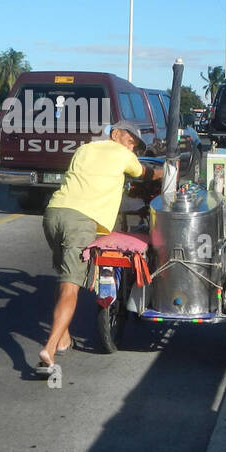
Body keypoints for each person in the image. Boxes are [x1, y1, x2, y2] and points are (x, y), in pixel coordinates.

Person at [37, 120, 161, 372]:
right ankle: (49, 348)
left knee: (64, 278)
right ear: (116, 134)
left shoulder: (84, 150)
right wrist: (167, 171)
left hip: (53, 214)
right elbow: (145, 174)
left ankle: (63, 338)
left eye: (135, 146)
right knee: (71, 287)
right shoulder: (122, 154)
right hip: (81, 222)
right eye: (131, 142)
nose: (133, 149)